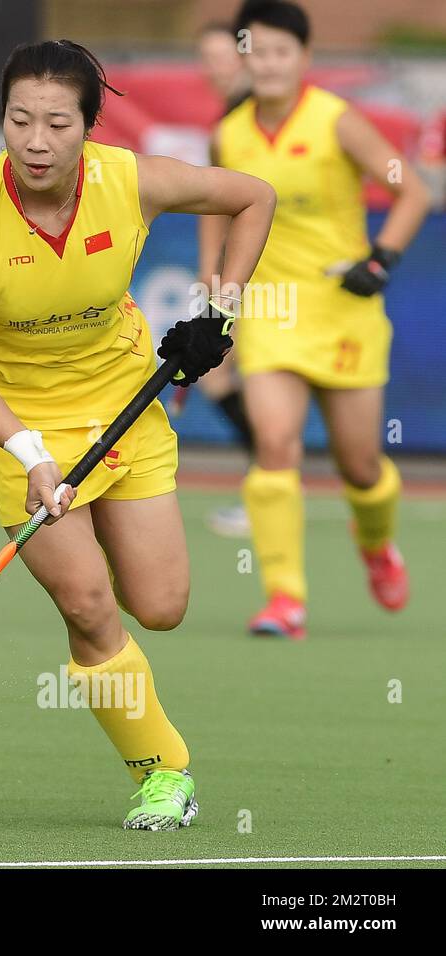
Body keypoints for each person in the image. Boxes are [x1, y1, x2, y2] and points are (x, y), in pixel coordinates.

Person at [0, 40, 275, 828]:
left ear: (90, 126)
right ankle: (161, 771)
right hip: (13, 420)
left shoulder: (130, 179)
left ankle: (105, 609)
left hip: (124, 398)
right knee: (87, 602)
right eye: (20, 120)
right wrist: (31, 455)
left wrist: (218, 314)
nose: (36, 141)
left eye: (57, 123)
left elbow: (253, 196)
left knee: (160, 605)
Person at [204, 1, 429, 639]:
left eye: (283, 53)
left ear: (304, 58)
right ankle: (285, 599)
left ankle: (378, 547)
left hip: (343, 312)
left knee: (360, 466)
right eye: (258, 52)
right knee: (274, 445)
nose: (269, 65)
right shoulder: (230, 133)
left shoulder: (338, 122)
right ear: (243, 58)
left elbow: (410, 187)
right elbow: (216, 217)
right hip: (270, 313)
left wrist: (381, 259)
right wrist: (216, 297)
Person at [189, 21, 257, 538]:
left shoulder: (253, 116)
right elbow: (214, 205)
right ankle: (268, 479)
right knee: (217, 376)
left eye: (225, 56)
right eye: (207, 58)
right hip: (237, 275)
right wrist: (209, 271)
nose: (217, 68)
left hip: (266, 275)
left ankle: (269, 483)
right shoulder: (227, 124)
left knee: (243, 378)